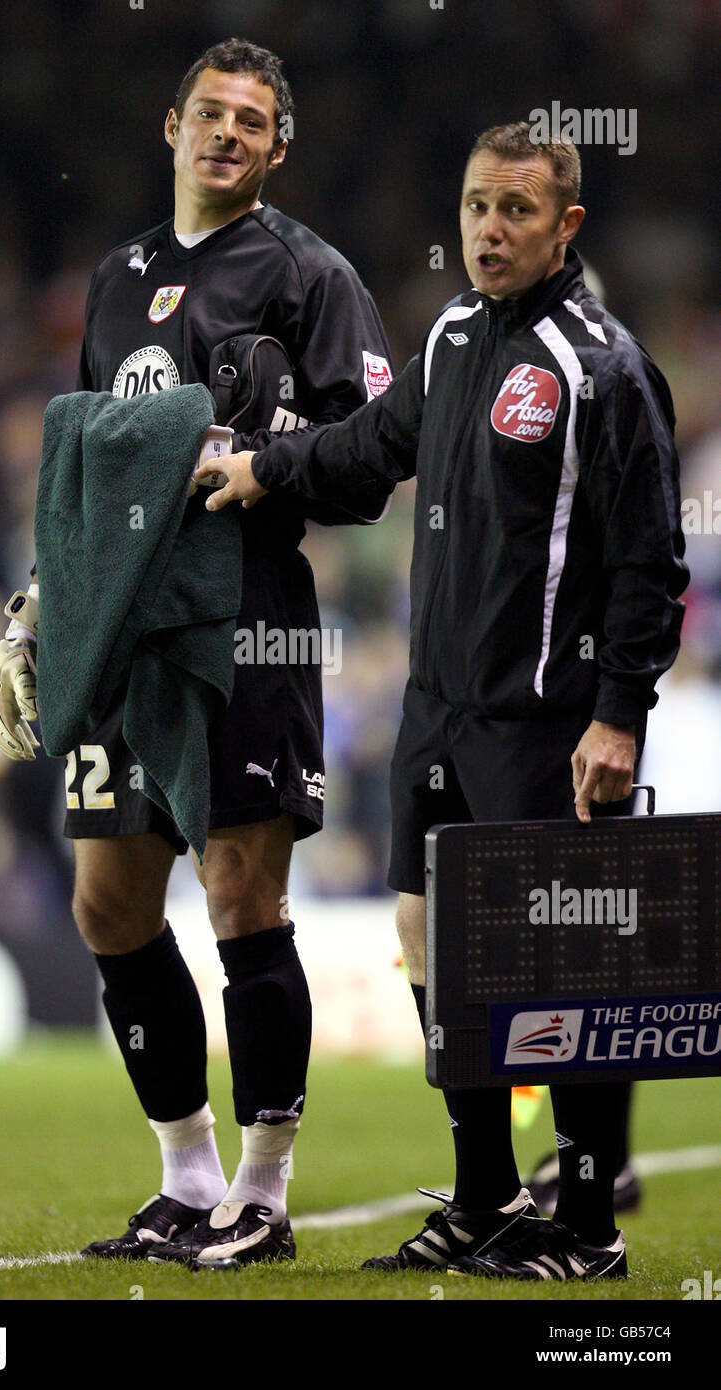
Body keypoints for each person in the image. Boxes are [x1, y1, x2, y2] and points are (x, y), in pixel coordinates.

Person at [197, 121, 688, 1280]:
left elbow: (649, 561)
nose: (487, 230)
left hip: (547, 723)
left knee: (561, 975)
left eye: (515, 210)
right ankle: (478, 1202)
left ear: (565, 225)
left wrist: (617, 712)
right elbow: (366, 448)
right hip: (436, 715)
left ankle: (584, 1228)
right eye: (474, 206)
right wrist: (263, 466)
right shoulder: (456, 337)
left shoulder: (601, 364)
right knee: (432, 953)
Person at [0, 38, 394, 1270]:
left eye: (251, 120)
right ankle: (185, 1177)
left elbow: (373, 453)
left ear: (279, 146)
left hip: (244, 610)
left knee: (239, 893)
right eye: (208, 114)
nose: (226, 133)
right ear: (169, 127)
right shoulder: (114, 278)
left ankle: (263, 1195)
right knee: (107, 903)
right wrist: (41, 597)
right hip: (120, 617)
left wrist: (263, 464)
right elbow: (87, 466)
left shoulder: (312, 274)